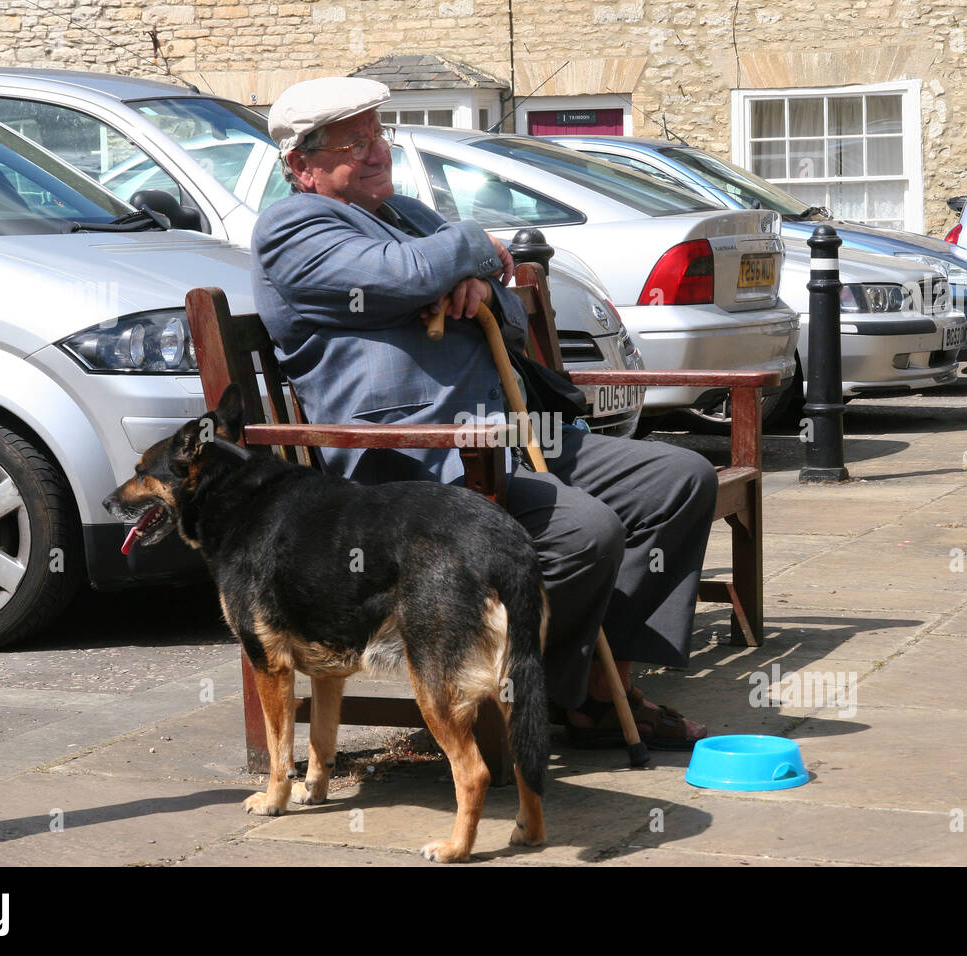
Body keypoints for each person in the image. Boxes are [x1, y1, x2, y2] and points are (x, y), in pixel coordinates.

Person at [250, 76, 717, 748]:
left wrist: (477, 289)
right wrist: (467, 248)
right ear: (303, 165)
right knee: (585, 532)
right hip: (413, 462)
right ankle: (556, 693)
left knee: (677, 480)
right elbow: (401, 275)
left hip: (501, 438)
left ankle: (582, 684)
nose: (377, 152)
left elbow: (505, 306)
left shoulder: (406, 214)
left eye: (378, 136)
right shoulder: (294, 228)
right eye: (355, 144)